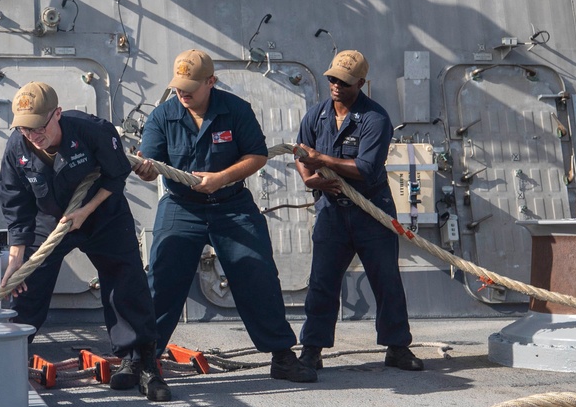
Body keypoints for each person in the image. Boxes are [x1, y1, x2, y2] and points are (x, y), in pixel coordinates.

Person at [133, 49, 316, 384]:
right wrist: (145, 169)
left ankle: (282, 356)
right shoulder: (162, 116)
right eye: (178, 86)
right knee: (162, 278)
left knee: (257, 273)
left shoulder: (235, 110)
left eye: (190, 86)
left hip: (232, 204)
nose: (182, 92)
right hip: (181, 206)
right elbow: (151, 163)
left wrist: (221, 178)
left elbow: (257, 155)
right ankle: (143, 359)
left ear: (211, 81)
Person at [0, 81, 171, 401]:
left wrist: (86, 210)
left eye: (38, 127)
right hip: (50, 220)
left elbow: (116, 175)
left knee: (125, 280)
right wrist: (16, 259)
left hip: (103, 212)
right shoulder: (17, 149)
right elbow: (16, 206)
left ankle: (141, 364)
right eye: (24, 128)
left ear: (57, 115)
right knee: (25, 285)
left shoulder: (92, 131)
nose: (32, 135)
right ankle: (9, 364)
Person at [293, 50, 424, 372]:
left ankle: (397, 348)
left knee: (386, 280)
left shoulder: (375, 119)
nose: (336, 85)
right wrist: (311, 180)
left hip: (371, 213)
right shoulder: (317, 115)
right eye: (333, 79)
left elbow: (365, 168)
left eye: (345, 82)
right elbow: (300, 150)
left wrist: (321, 161)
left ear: (361, 83)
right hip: (331, 212)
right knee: (323, 282)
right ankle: (312, 349)